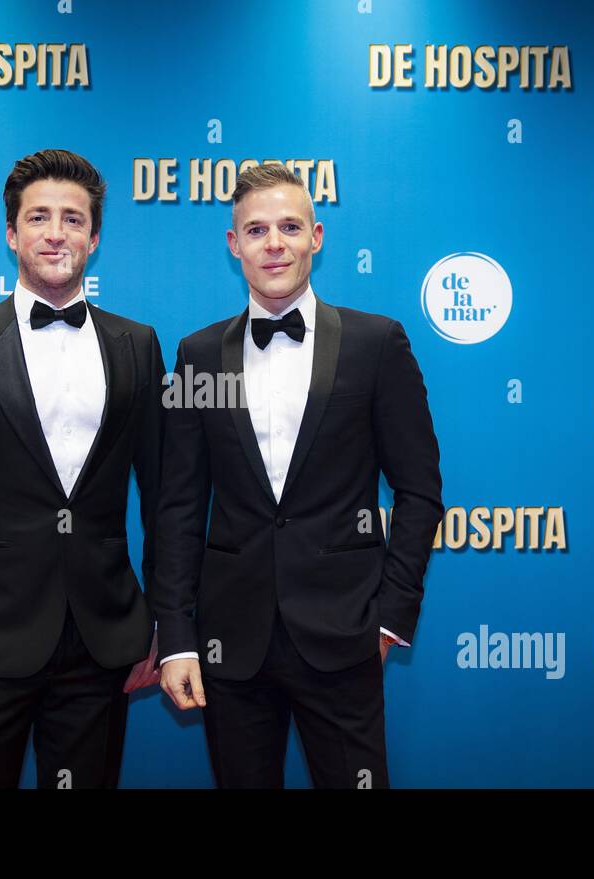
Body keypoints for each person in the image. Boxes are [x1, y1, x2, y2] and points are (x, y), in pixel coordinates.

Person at [153, 162, 444, 788]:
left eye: (290, 226)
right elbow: (178, 507)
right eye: (256, 230)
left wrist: (390, 616)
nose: (274, 243)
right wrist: (176, 637)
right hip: (230, 644)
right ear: (235, 246)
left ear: (317, 236)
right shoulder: (197, 354)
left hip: (345, 634)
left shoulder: (377, 343)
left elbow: (419, 490)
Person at [0, 148, 163, 788]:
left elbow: (167, 497)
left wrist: (163, 624)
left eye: (73, 219)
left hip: (101, 643)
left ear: (94, 238)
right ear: (11, 232)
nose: (56, 232)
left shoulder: (139, 345)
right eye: (38, 216)